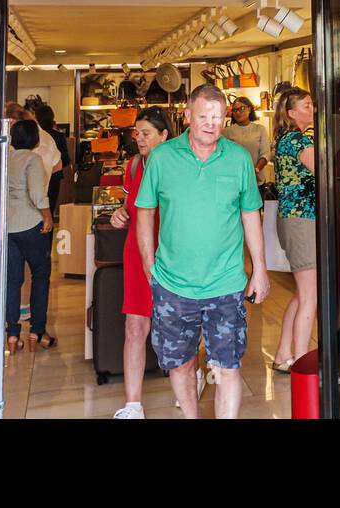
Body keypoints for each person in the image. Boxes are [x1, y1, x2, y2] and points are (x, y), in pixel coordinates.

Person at [137, 84, 269, 418]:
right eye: (204, 116)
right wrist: (149, 263)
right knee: (180, 365)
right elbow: (145, 210)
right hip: (173, 284)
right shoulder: (162, 157)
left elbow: (250, 214)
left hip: (225, 284)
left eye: (218, 117)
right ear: (187, 116)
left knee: (228, 367)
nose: (211, 123)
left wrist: (261, 269)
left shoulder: (238, 158)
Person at [108, 107, 170, 419]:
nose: (139, 138)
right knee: (135, 325)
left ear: (164, 136)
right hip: (136, 252)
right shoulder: (134, 166)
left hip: (171, 252)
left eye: (146, 133)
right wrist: (119, 215)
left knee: (178, 324)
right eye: (136, 132)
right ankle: (133, 404)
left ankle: (191, 377)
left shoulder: (176, 166)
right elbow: (127, 207)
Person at [271, 87, 317, 373]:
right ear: (291, 113)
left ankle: (283, 354)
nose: (311, 110)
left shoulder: (286, 140)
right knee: (309, 295)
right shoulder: (297, 140)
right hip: (302, 219)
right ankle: (302, 364)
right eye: (306, 105)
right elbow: (323, 170)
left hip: (294, 217)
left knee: (302, 294)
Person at [5, 118, 56, 353]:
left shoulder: (5, 158)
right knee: (41, 276)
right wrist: (47, 216)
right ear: (35, 138)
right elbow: (37, 193)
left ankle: (13, 334)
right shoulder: (32, 159)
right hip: (30, 224)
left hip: (9, 226)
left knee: (13, 282)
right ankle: (37, 331)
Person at [33, 103, 71, 221]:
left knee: (36, 211)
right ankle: (47, 237)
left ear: (37, 118)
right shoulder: (59, 136)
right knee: (50, 208)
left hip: (35, 178)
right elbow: (66, 160)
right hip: (54, 178)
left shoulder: (34, 136)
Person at [224, 96, 271, 188]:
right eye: (235, 110)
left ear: (249, 109)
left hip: (257, 180)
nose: (238, 112)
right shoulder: (226, 132)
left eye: (242, 108)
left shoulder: (260, 129)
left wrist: (255, 170)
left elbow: (265, 154)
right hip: (235, 181)